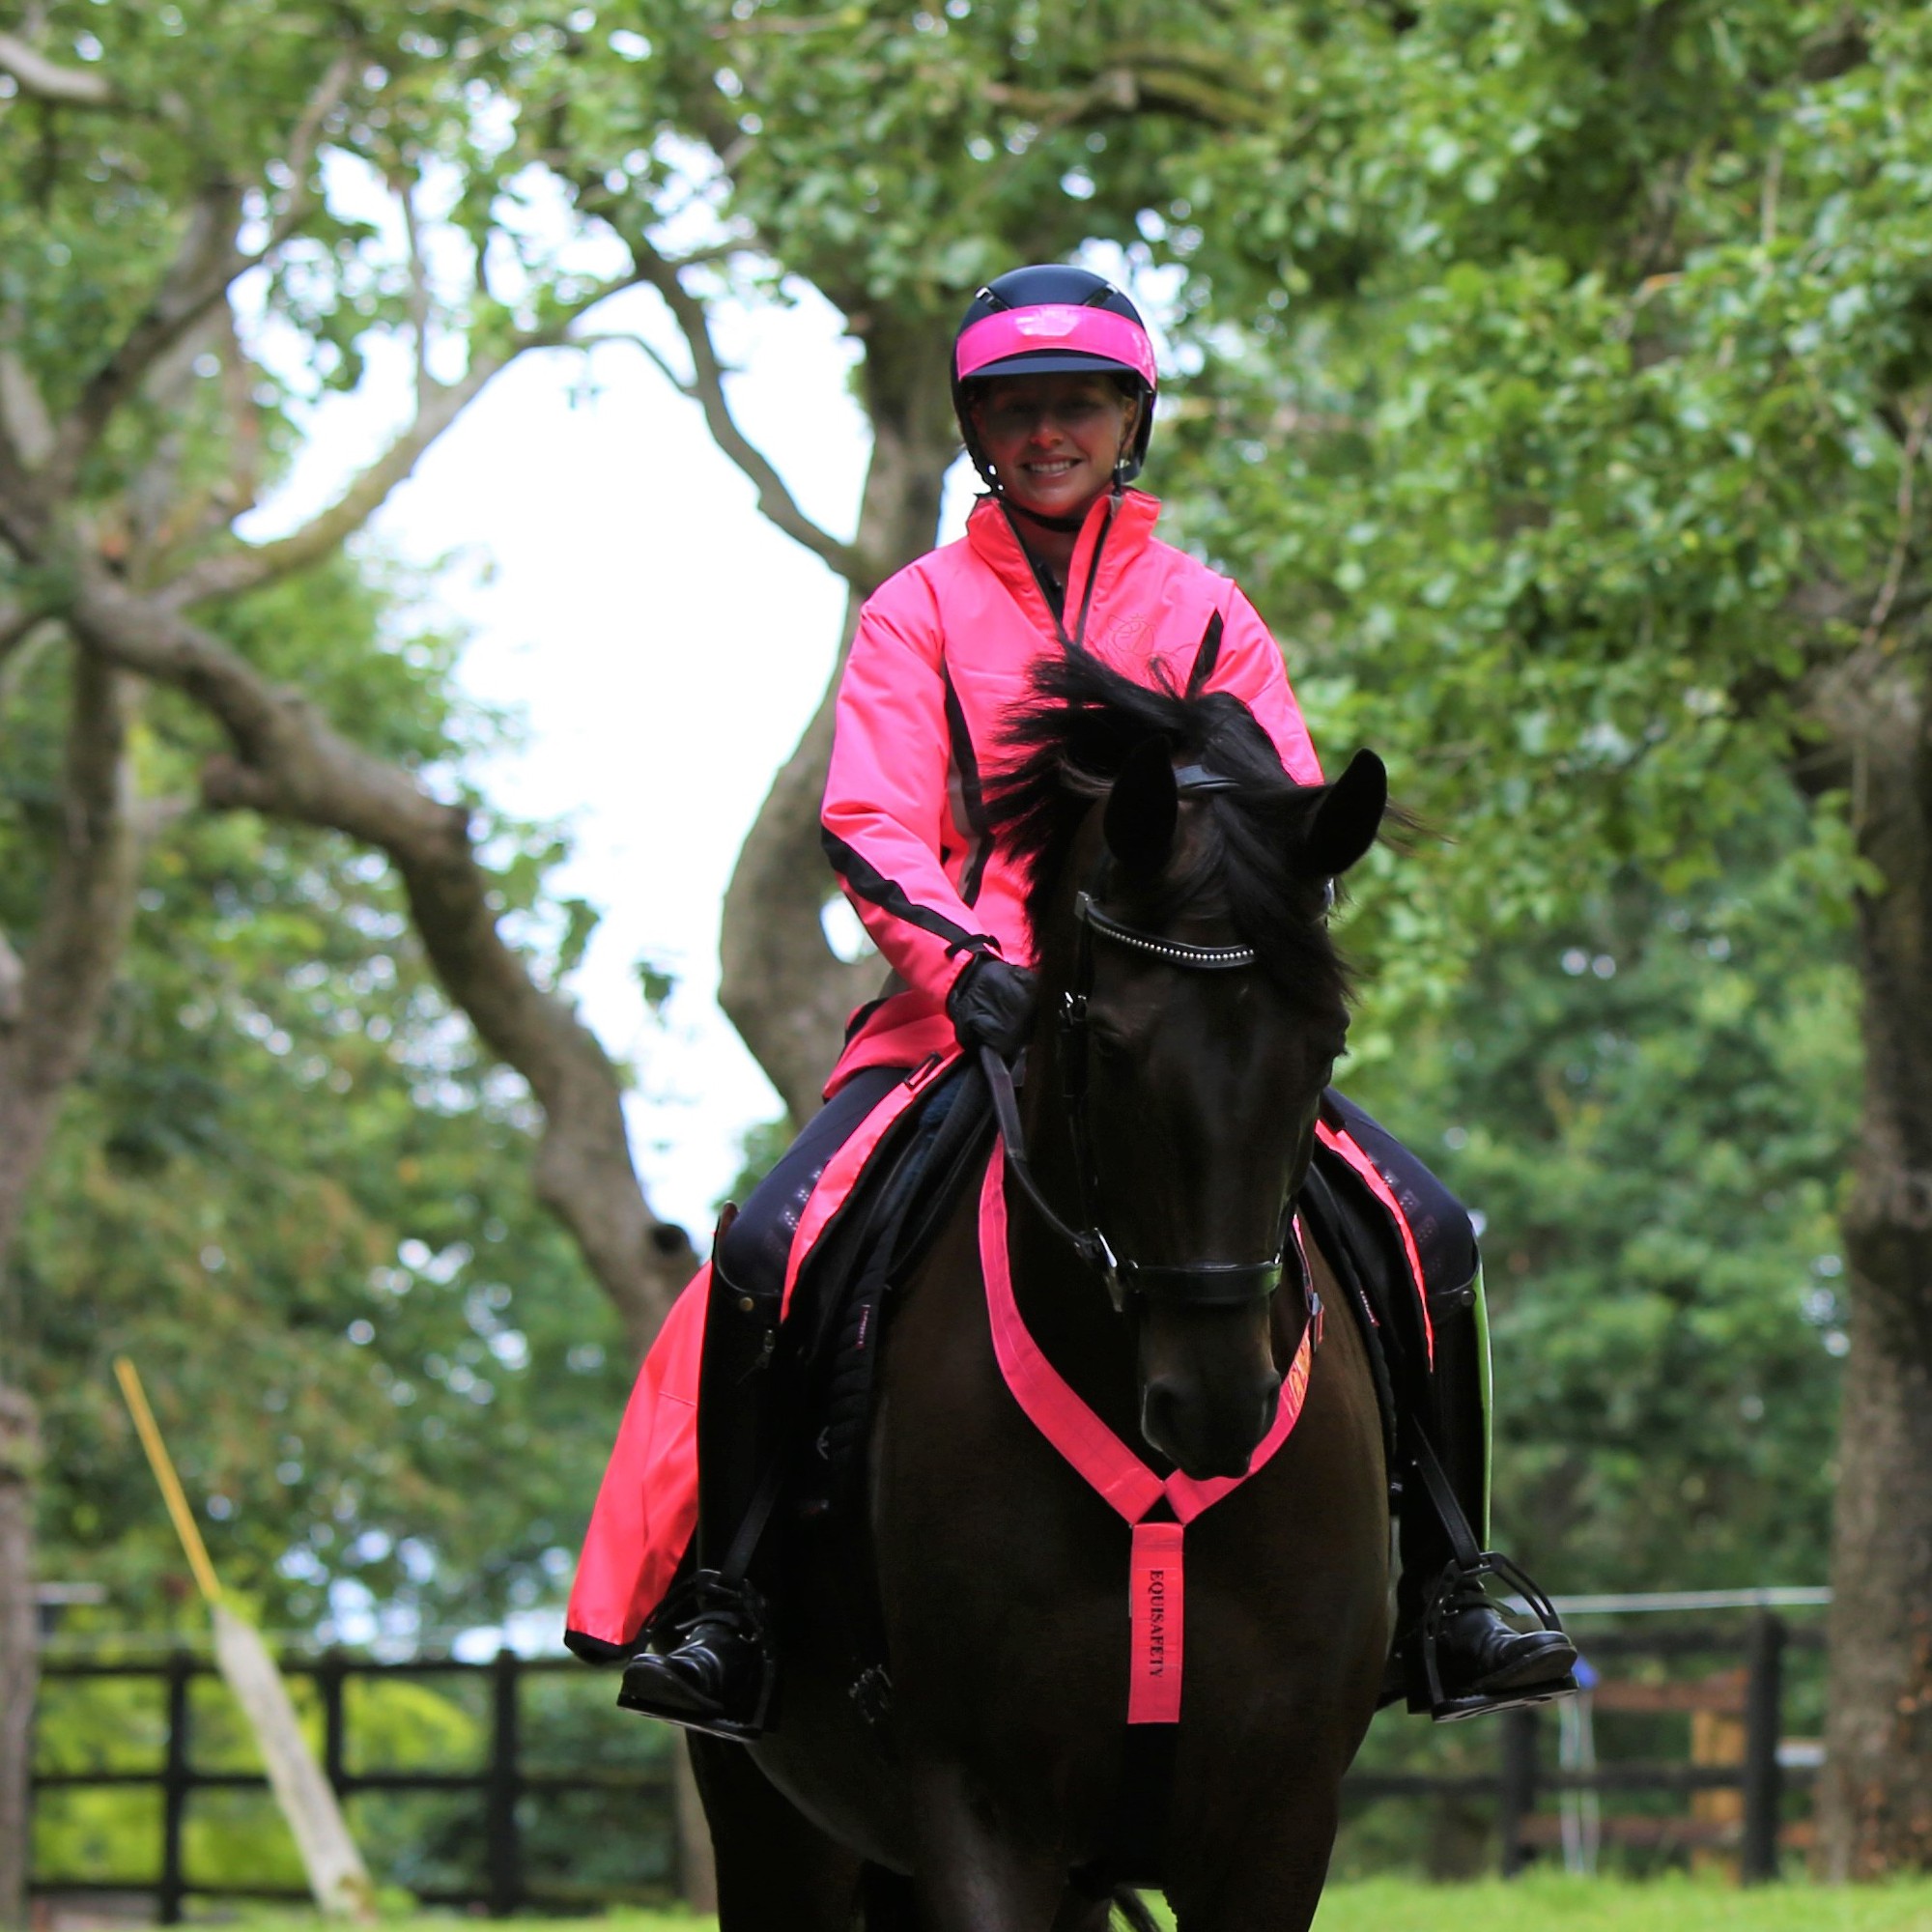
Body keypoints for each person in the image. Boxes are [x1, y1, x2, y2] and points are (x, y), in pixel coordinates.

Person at [566, 264, 1577, 1735]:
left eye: (1079, 406)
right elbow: (871, 824)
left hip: (1180, 1016)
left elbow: (1281, 823)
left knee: (1427, 1230)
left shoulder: (1208, 610)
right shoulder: (915, 610)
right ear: (981, 430)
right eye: (1018, 410)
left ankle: (1450, 1586)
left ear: (1130, 421)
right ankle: (732, 1602)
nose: (1050, 433)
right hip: (955, 1013)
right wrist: (976, 971)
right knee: (770, 1242)